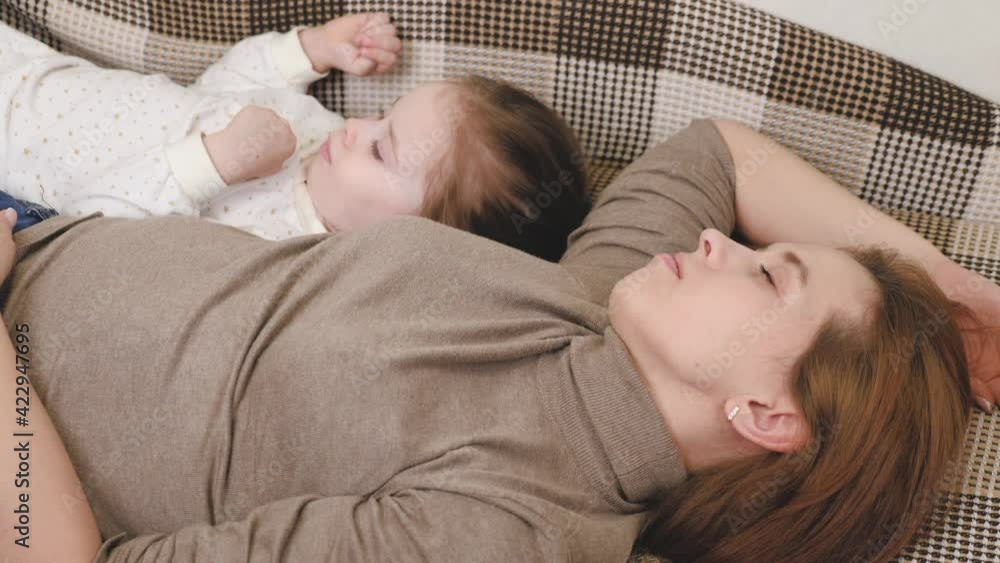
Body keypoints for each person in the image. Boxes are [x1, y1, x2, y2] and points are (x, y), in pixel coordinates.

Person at [0, 118, 997, 563]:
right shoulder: (600, 306)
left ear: (768, 411)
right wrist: (945, 288)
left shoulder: (505, 529)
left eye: (770, 273)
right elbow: (717, 152)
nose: (718, 243)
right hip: (35, 227)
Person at [0, 15, 591, 260]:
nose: (357, 128)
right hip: (43, 74)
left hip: (23, 174)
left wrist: (213, 165)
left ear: (411, 247)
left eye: (383, 149)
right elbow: (221, 90)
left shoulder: (277, 254)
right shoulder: (324, 139)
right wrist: (309, 49)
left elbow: (99, 241)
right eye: (382, 115)